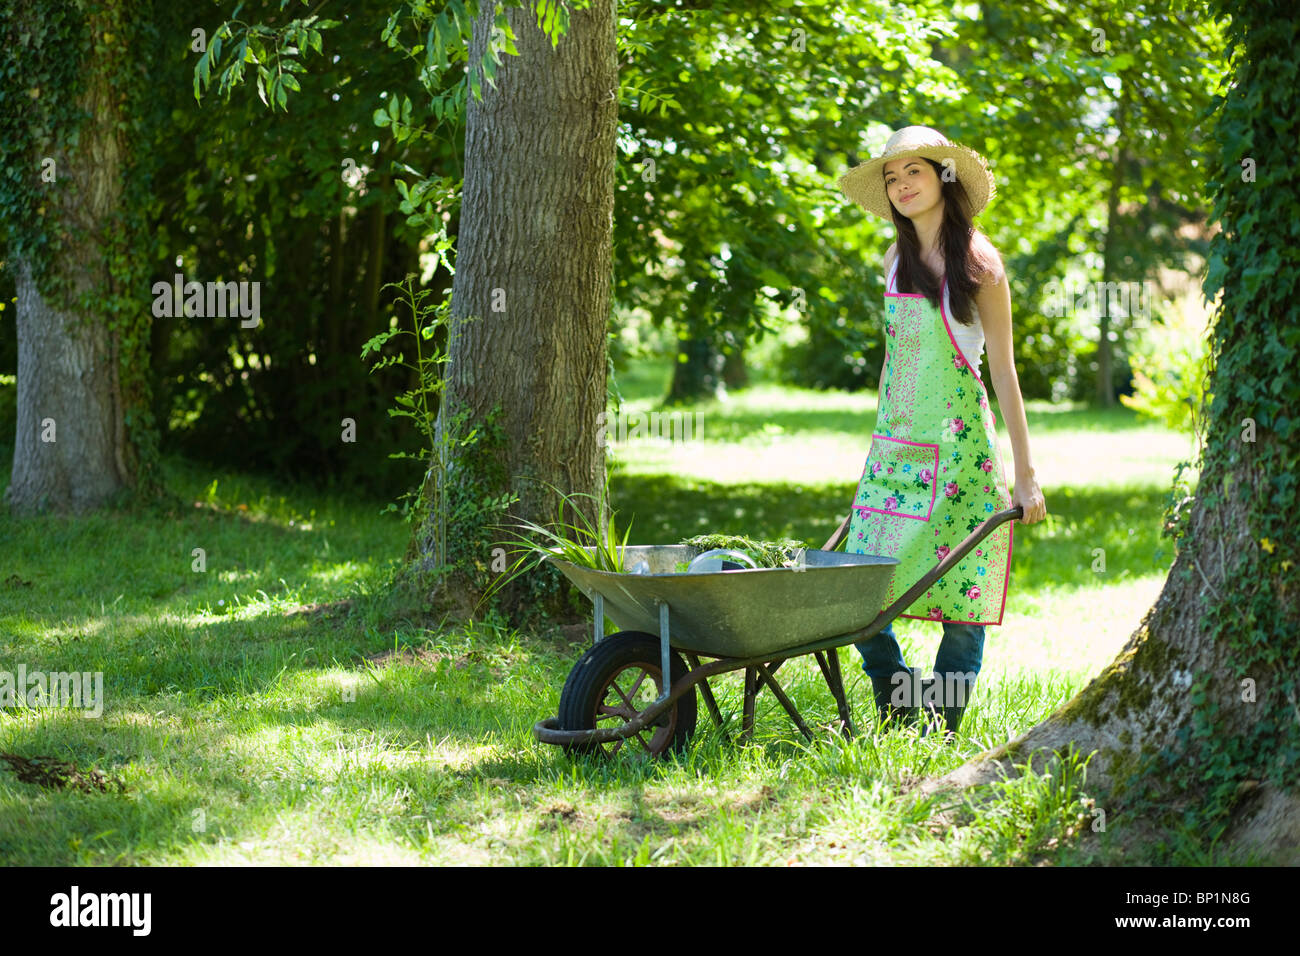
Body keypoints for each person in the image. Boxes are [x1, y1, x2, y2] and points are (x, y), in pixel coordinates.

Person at [835, 126, 1047, 740]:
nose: (901, 186)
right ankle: (897, 700)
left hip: (960, 454)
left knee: (964, 590)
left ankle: (943, 725)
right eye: (891, 177)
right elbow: (894, 359)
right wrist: (878, 439)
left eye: (914, 173)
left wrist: (1026, 477)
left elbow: (1004, 372)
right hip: (896, 452)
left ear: (943, 178)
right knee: (861, 585)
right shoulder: (893, 259)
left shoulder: (981, 265)